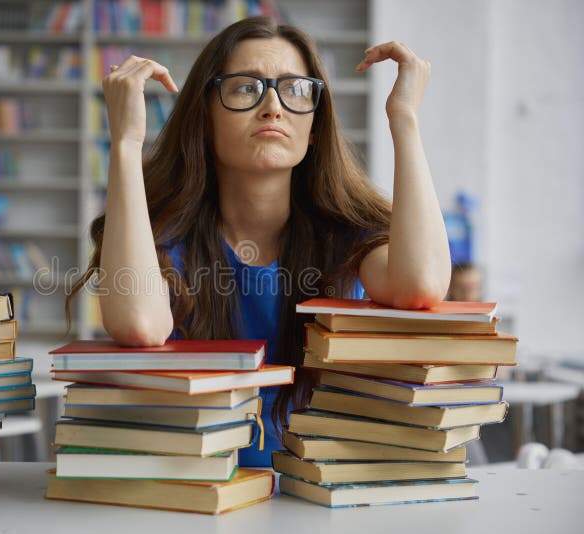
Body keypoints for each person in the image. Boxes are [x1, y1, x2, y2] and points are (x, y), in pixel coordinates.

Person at [64, 17, 450, 467]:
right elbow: (139, 325)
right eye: (246, 88)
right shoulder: (170, 238)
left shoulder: (345, 229)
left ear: (315, 120)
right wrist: (126, 143)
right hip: (197, 485)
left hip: (321, 488)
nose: (273, 107)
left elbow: (420, 284)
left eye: (295, 89)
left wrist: (404, 120)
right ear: (204, 115)